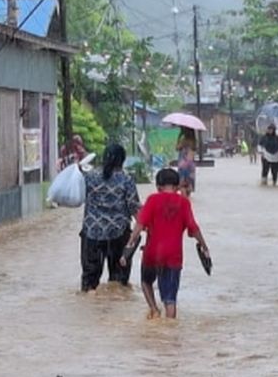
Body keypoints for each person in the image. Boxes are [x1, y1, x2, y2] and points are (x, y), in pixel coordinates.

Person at [121, 167, 209, 319]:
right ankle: (170, 332)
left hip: (152, 253)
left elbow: (140, 224)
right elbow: (193, 228)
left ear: (158, 186)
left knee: (146, 281)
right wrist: (204, 245)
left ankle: (154, 309)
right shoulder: (184, 203)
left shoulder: (152, 200)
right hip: (174, 256)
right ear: (177, 186)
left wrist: (130, 243)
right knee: (170, 299)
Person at [80, 143, 140, 291]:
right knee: (119, 282)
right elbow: (134, 207)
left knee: (89, 282)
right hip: (119, 234)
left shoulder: (89, 177)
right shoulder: (127, 180)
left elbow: (77, 196)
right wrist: (145, 227)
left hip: (91, 233)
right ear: (122, 160)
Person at [176, 127, 197, 197]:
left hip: (183, 165)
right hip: (191, 166)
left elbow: (177, 148)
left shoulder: (184, 140)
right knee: (188, 186)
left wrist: (179, 137)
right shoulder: (194, 142)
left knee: (182, 186)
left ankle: (184, 202)